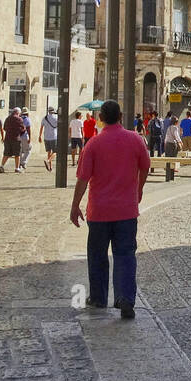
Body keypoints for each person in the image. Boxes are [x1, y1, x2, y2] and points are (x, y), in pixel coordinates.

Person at [69, 99, 150, 320]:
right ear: (121, 117)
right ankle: (125, 299)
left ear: (100, 118)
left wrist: (75, 205)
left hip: (99, 211)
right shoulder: (135, 139)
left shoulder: (93, 144)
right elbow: (145, 167)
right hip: (126, 210)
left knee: (97, 255)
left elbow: (83, 179)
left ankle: (98, 297)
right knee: (125, 254)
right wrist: (138, 189)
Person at [0, 105, 22, 172]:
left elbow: (5, 128)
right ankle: (17, 168)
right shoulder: (19, 119)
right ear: (18, 113)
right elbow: (22, 129)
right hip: (16, 138)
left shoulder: (7, 118)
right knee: (17, 154)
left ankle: (2, 166)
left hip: (7, 138)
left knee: (6, 153)